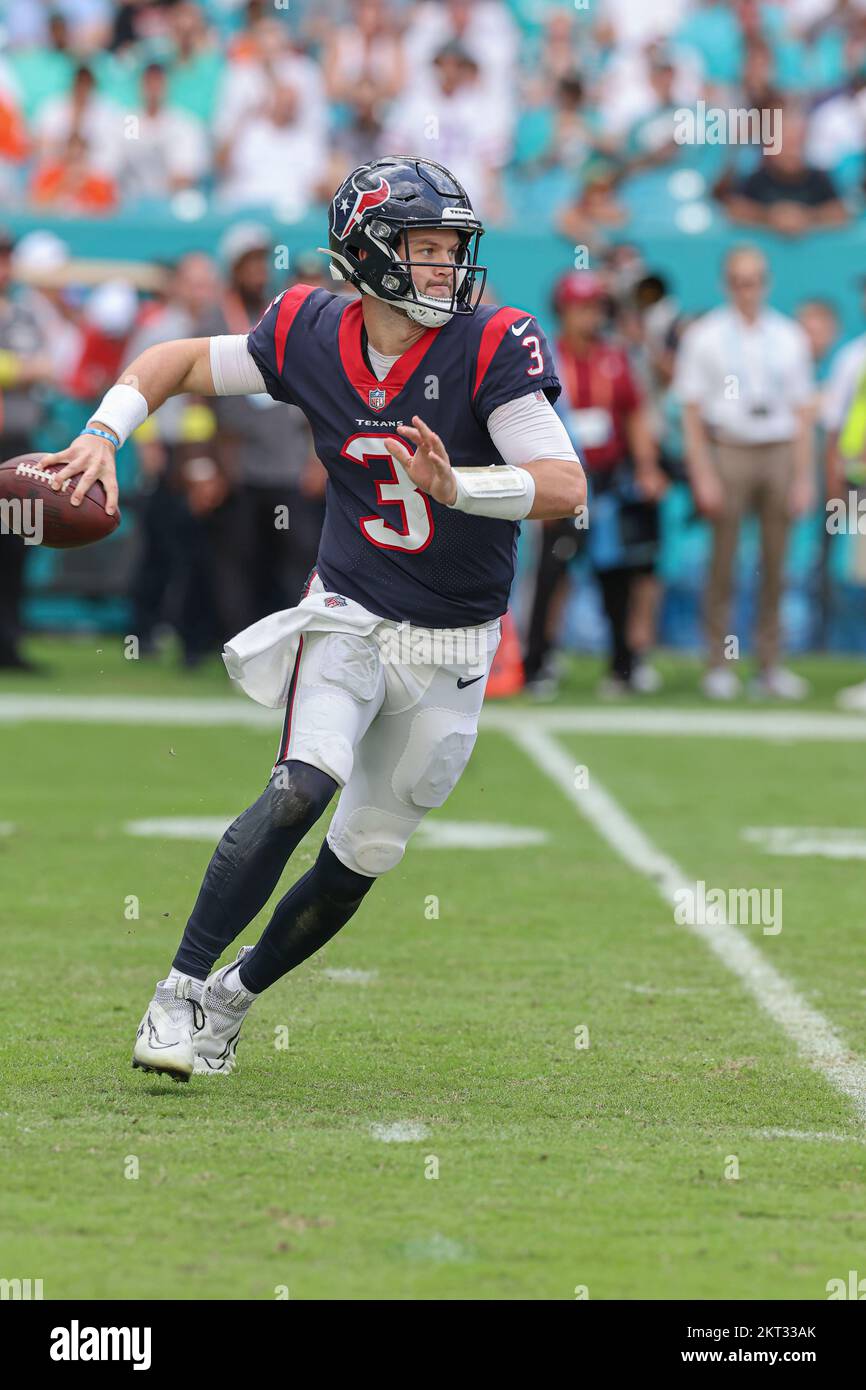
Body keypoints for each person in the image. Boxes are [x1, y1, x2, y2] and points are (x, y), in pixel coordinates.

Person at [41, 156, 586, 1081]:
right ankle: (174, 992)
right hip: (348, 611)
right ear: (369, 256)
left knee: (365, 852)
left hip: (456, 638)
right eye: (424, 249)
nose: (446, 268)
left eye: (452, 249)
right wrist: (102, 433)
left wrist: (461, 485)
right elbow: (174, 361)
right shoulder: (304, 329)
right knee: (303, 782)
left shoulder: (492, 342)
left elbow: (565, 486)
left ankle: (230, 1001)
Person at [674, 246, 816, 699]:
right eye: (738, 280)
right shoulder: (707, 335)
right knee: (723, 562)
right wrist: (703, 473)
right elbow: (692, 411)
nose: (746, 290)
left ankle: (770, 665)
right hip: (730, 447)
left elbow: (802, 412)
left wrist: (802, 475)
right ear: (726, 284)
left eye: (753, 280)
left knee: (775, 563)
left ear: (766, 283)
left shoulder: (788, 336)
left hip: (777, 448)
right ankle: (720, 662)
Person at [548, 269, 665, 697]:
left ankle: (623, 665)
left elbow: (634, 414)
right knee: (554, 569)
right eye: (582, 307)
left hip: (609, 481)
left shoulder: (615, 357)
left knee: (616, 573)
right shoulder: (548, 356)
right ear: (564, 310)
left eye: (597, 306)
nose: (591, 316)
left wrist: (648, 468)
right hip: (562, 478)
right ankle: (542, 659)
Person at [0, 227, 53, 671]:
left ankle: (9, 643)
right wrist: (18, 367)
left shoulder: (24, 313)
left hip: (15, 448)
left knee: (16, 544)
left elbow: (45, 365)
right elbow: (29, 366)